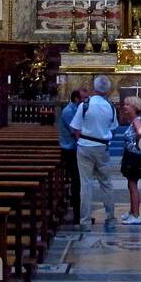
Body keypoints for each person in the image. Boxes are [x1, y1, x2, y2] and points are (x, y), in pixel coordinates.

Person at [70, 74, 118, 231]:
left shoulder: (85, 105)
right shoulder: (110, 107)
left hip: (84, 146)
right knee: (106, 183)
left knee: (86, 185)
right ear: (108, 90)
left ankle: (84, 221)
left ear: (94, 88)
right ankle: (110, 217)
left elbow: (75, 127)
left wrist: (81, 141)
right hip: (102, 147)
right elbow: (113, 128)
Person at [119, 96, 141, 225]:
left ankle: (136, 215)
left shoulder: (137, 120)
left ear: (134, 107)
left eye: (127, 105)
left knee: (133, 185)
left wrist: (136, 144)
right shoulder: (136, 120)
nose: (124, 107)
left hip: (134, 156)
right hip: (133, 155)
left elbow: (140, 133)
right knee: (131, 184)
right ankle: (132, 211)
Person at [58, 89, 84, 221]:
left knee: (78, 181)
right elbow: (74, 131)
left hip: (74, 148)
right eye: (83, 99)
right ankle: (77, 214)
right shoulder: (68, 111)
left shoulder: (74, 110)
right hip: (69, 150)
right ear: (76, 99)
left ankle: (79, 212)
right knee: (76, 180)